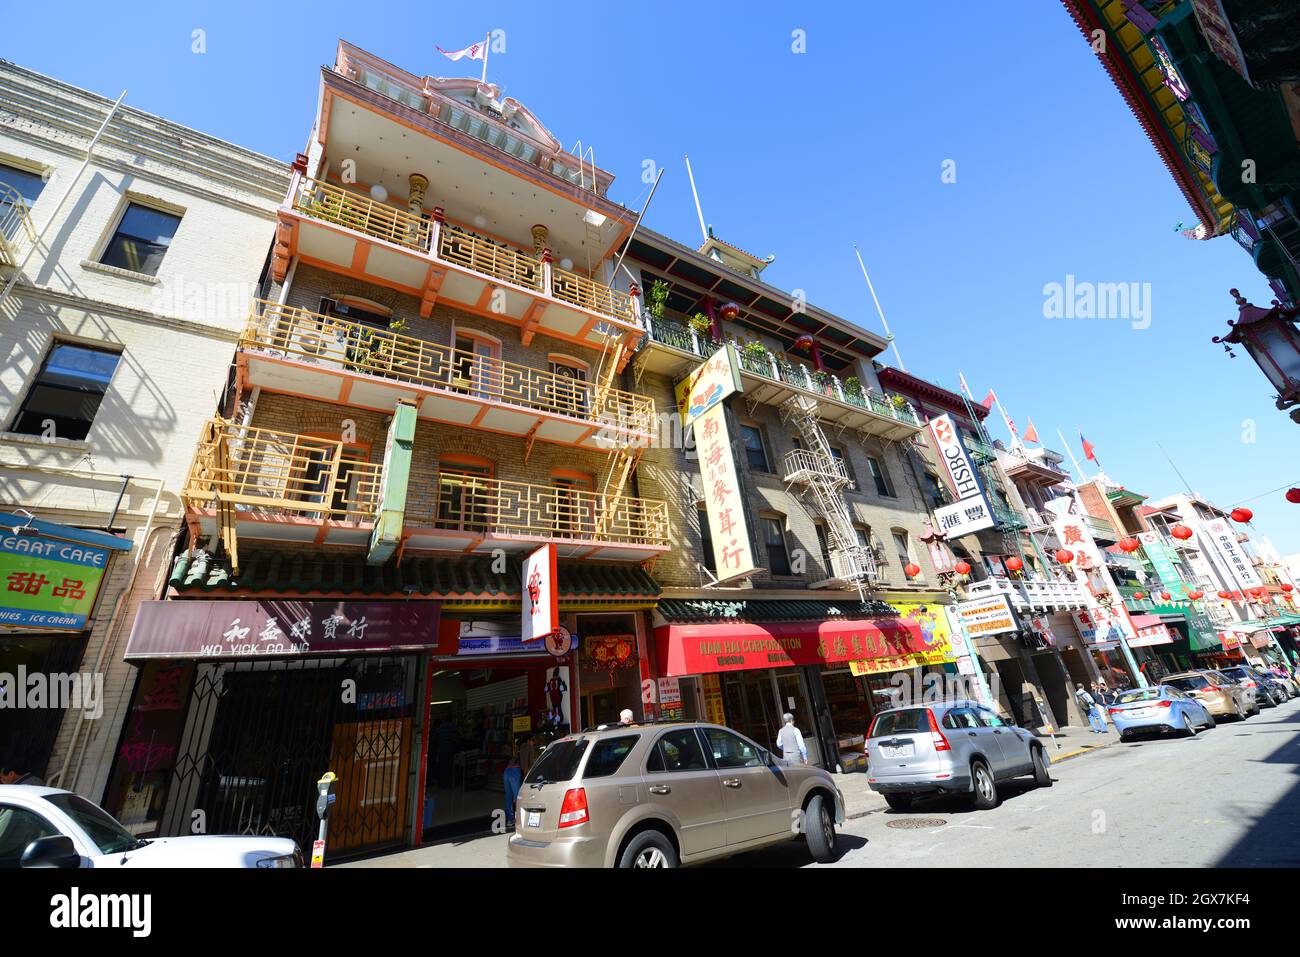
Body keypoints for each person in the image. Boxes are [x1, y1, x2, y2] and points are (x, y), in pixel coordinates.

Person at [502, 753, 522, 829]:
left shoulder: (513, 752)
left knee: (508, 797)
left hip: (506, 771)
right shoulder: (528, 747)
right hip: (515, 771)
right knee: (518, 796)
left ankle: (510, 820)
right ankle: (519, 819)